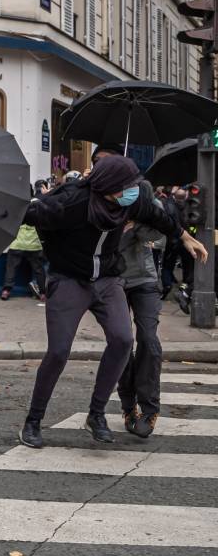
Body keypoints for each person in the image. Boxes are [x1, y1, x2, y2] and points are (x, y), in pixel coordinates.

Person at [19, 155, 208, 449]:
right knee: (58, 351)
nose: (133, 190)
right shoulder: (72, 203)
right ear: (107, 186)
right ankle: (33, 421)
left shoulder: (131, 202)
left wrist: (184, 237)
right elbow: (27, 213)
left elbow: (157, 217)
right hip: (69, 280)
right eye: (127, 185)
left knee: (122, 340)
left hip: (108, 280)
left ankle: (96, 414)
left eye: (134, 184)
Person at [116, 181, 166, 438]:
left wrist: (136, 221)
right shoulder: (105, 202)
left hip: (144, 281)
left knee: (147, 338)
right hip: (113, 282)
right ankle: (128, 406)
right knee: (122, 342)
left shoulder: (146, 200)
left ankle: (149, 408)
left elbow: (157, 236)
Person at [0, 186, 47, 301]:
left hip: (18, 243)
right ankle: (43, 293)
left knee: (11, 267)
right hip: (34, 244)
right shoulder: (38, 204)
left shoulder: (16, 205)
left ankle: (6, 290)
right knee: (39, 269)